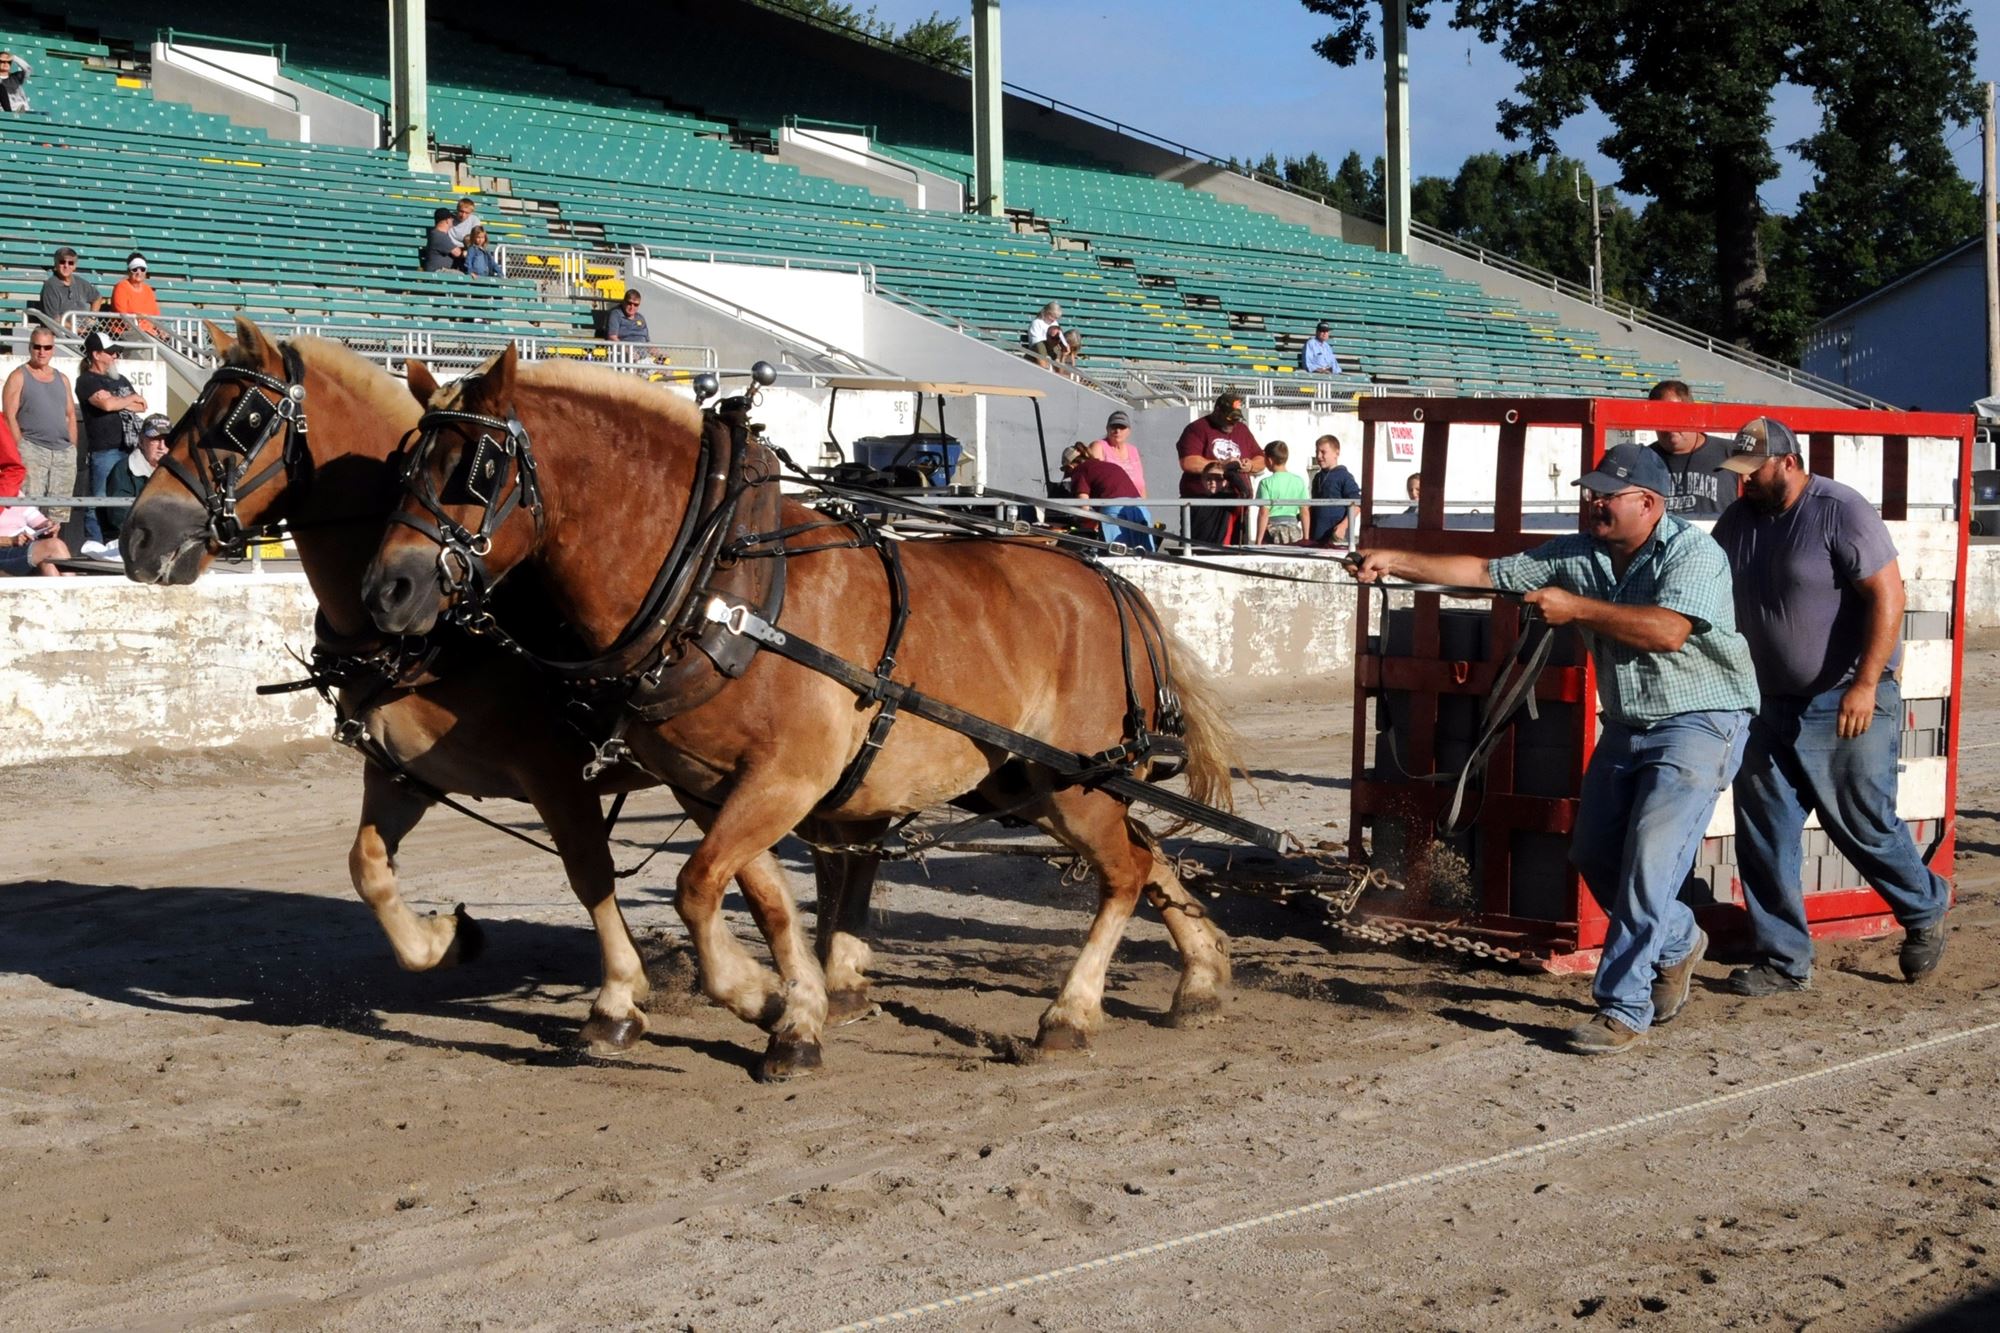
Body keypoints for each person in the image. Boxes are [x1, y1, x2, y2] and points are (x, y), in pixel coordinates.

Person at [1355, 442, 1759, 1054]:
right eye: (1589, 492)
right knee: (1595, 852)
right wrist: (1394, 561)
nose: (1592, 502)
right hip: (1629, 724)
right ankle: (1677, 941)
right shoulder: (1577, 552)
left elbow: (1667, 631)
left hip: (1700, 721)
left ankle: (1622, 1007)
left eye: (1606, 494)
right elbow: (1487, 573)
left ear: (1648, 503)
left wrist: (1575, 608)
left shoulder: (1693, 552)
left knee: (1650, 863)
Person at [1711, 417, 1950, 994]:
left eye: (1754, 471)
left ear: (1788, 462)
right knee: (1764, 831)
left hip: (1844, 698)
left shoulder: (1840, 509)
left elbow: (1888, 595)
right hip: (1766, 702)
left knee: (1861, 823)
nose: (1744, 483)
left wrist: (1865, 683)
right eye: (1738, 473)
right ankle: (1783, 959)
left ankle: (1923, 908)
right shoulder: (1739, 520)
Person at [73, 331, 146, 546]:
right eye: (111, 352)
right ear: (96, 354)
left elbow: (142, 405)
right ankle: (96, 545)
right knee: (99, 500)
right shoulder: (86, 380)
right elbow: (107, 404)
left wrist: (119, 401)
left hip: (129, 447)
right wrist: (128, 399)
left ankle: (121, 544)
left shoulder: (120, 379)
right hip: (105, 450)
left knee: (129, 497)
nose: (115, 356)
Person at [3, 329, 78, 524]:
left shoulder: (62, 379)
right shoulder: (18, 376)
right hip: (32, 448)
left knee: (59, 513)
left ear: (53, 349)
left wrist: (72, 447)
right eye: (37, 346)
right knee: (28, 507)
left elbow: (70, 415)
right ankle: (27, 552)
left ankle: (53, 551)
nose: (42, 351)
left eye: (47, 347)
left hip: (63, 452)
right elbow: (9, 416)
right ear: (30, 347)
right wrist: (20, 447)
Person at [1175, 390, 1265, 547]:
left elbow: (1261, 459)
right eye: (1229, 418)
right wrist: (1222, 465)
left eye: (1235, 419)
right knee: (1201, 551)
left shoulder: (1242, 430)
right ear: (1217, 411)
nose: (1232, 423)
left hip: (1236, 503)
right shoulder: (1197, 429)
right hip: (1204, 503)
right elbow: (1188, 462)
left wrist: (1249, 465)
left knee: (1235, 552)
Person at [1646, 379, 1736, 518]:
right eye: (1661, 416)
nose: (1670, 424)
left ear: (1692, 414)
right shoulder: (1643, 460)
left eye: (1676, 414)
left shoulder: (1731, 454)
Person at [1062, 441, 1154, 552]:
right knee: (1144, 557)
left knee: (1117, 559)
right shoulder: (1109, 465)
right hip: (1140, 509)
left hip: (1115, 513)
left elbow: (1084, 509)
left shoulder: (1079, 471)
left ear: (1070, 466)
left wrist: (1076, 522)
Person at [101, 412, 172, 541]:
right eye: (155, 439)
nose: (162, 446)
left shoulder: (179, 471)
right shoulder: (123, 469)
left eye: (166, 440)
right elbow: (119, 517)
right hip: (133, 541)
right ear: (141, 441)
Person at [1308, 433, 1362, 545]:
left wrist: (1343, 526)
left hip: (1336, 540)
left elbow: (1357, 504)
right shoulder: (1317, 477)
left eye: (1323, 452)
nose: (1318, 456)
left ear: (1336, 453)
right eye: (1316, 452)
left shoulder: (1344, 476)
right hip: (1317, 539)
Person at [1255, 441, 1309, 545]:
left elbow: (1264, 513)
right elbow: (1305, 512)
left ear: (1270, 460)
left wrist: (1258, 541)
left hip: (1272, 531)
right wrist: (1306, 539)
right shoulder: (1298, 481)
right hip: (1293, 532)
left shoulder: (1265, 483)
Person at [39, 247, 104, 322]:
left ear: (74, 266)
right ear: (55, 264)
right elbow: (53, 319)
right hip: (61, 331)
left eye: (70, 263)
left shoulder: (80, 282)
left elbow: (97, 298)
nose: (66, 266)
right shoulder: (50, 286)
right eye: (62, 262)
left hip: (85, 329)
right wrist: (77, 329)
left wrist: (92, 318)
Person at [110, 253, 162, 338]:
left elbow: (155, 315)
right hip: (126, 334)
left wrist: (159, 331)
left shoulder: (148, 289)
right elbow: (124, 317)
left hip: (149, 334)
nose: (139, 272)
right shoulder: (121, 287)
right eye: (135, 269)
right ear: (129, 271)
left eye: (142, 269)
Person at [1027, 302, 1081, 371]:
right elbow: (1036, 343)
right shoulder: (1037, 323)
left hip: (1052, 350)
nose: (1054, 320)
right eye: (1052, 316)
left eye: (1056, 318)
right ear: (1046, 313)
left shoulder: (1054, 323)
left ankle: (1068, 371)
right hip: (1040, 351)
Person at [421, 208, 460, 272]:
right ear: (447, 220)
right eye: (451, 218)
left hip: (441, 272)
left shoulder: (436, 233)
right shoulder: (439, 235)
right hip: (437, 272)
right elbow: (457, 253)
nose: (452, 220)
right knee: (466, 277)